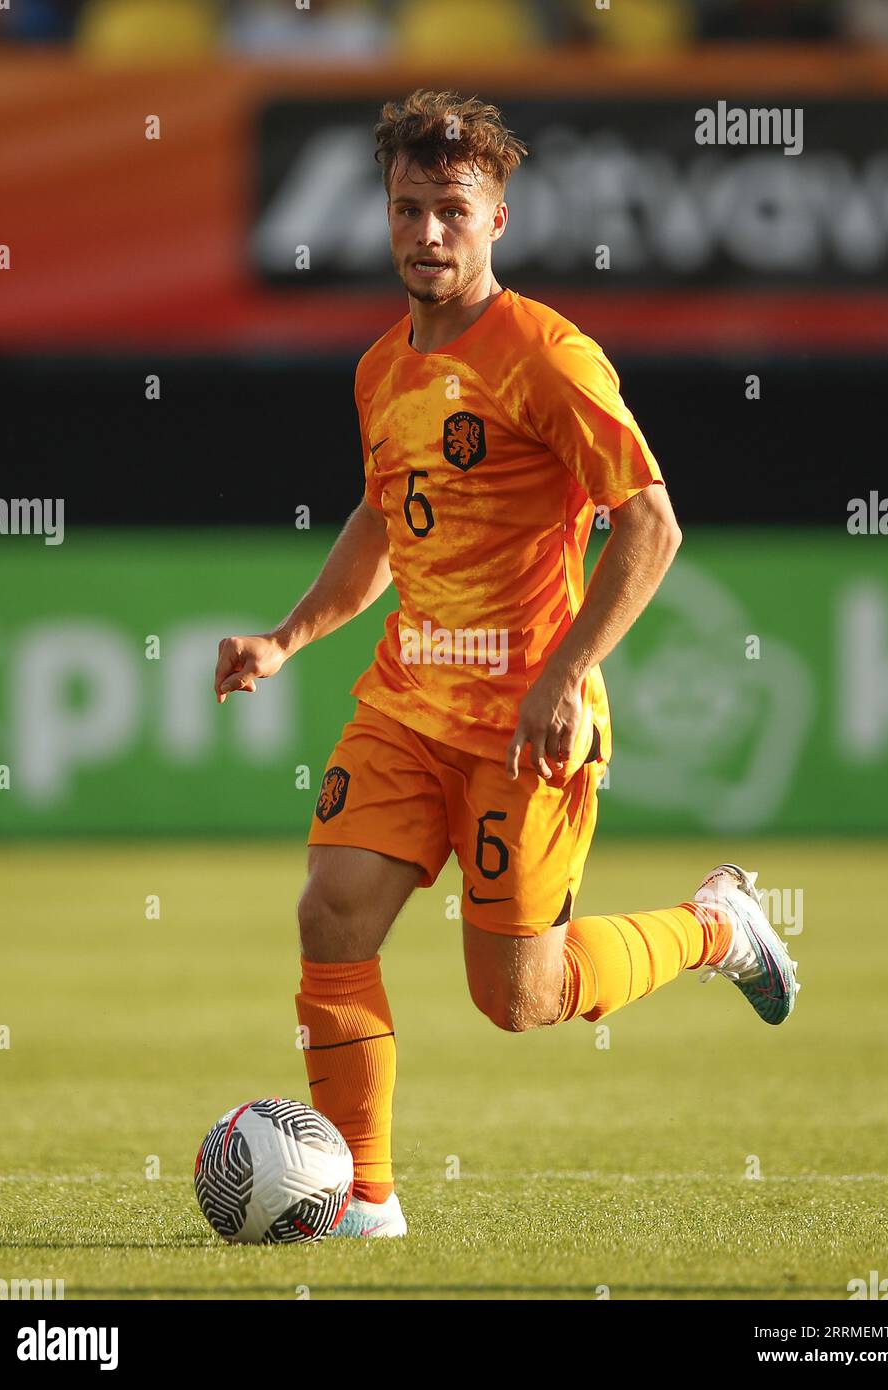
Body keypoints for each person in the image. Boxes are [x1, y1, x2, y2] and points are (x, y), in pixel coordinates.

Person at [214, 89, 799, 1239]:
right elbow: (387, 522)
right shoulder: (381, 368)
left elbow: (652, 524)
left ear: (498, 220)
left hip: (525, 724)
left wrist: (566, 674)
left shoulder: (549, 356)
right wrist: (287, 637)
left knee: (519, 999)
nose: (426, 233)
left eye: (450, 211)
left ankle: (719, 926)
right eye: (406, 210)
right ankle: (366, 1202)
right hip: (403, 703)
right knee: (331, 918)